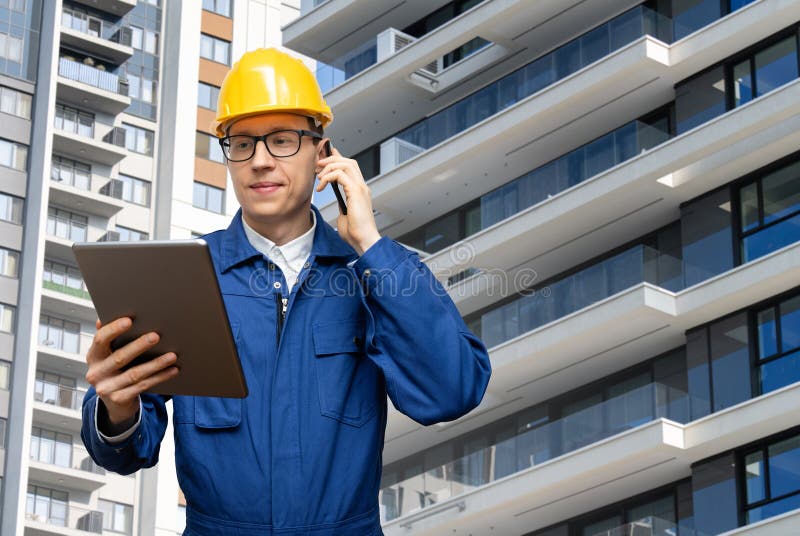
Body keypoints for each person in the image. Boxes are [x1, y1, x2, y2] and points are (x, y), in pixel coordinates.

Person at [80, 48, 491, 536]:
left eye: (281, 141)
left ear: (322, 154)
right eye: (242, 144)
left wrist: (371, 245)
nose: (259, 162)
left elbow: (452, 392)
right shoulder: (182, 276)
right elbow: (127, 450)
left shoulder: (375, 274)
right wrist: (116, 409)